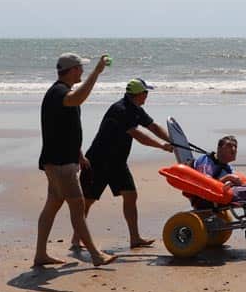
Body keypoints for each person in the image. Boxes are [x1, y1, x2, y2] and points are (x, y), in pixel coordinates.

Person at [34, 52, 118, 268]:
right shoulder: (59, 92)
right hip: (60, 163)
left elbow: (63, 128)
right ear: (72, 70)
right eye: (81, 68)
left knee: (52, 205)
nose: (82, 71)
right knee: (77, 207)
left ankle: (40, 255)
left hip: (60, 160)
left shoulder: (61, 92)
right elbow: (78, 98)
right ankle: (96, 255)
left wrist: (79, 154)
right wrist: (97, 72)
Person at [73, 78, 174, 249]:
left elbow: (153, 127)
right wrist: (162, 146)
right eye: (146, 92)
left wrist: (172, 141)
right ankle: (76, 239)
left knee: (130, 195)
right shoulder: (120, 110)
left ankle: (135, 238)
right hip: (98, 161)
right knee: (88, 201)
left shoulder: (136, 109)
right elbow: (138, 135)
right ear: (139, 94)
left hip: (117, 162)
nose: (147, 96)